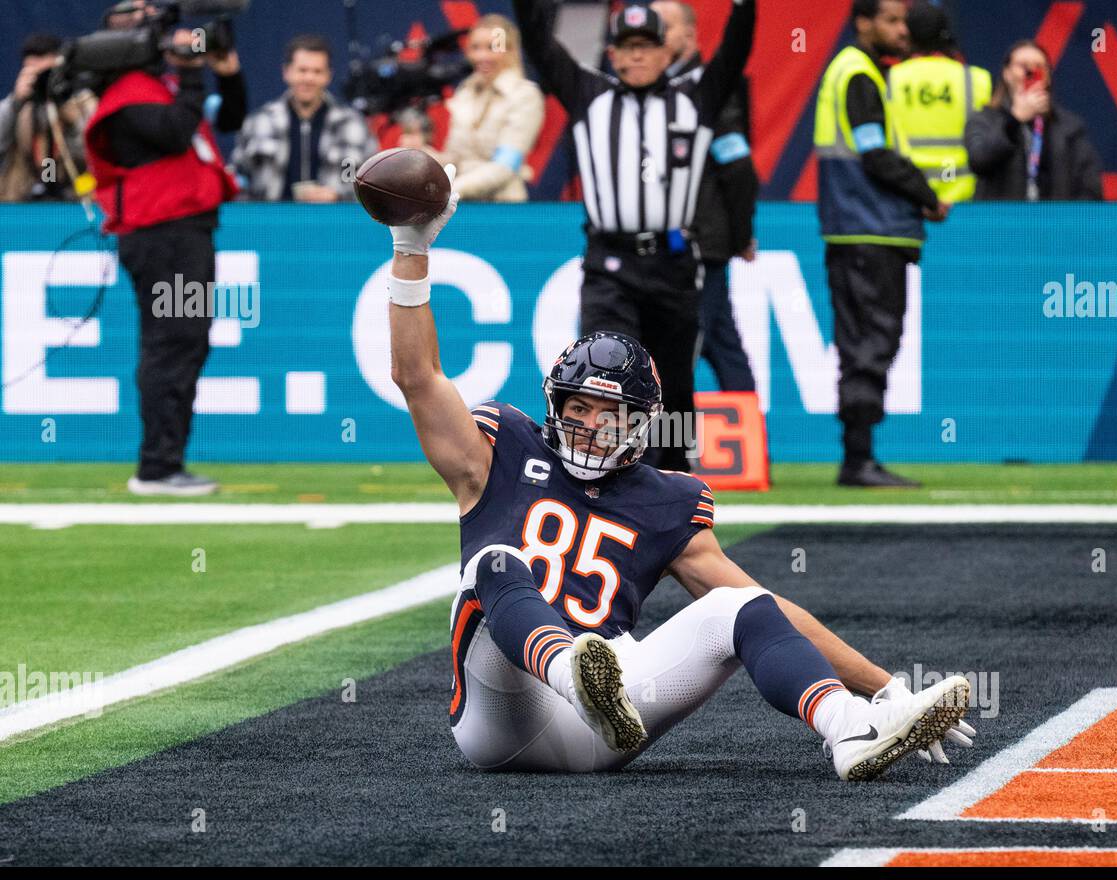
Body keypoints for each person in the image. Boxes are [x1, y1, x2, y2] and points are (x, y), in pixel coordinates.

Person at [380, 169, 975, 778]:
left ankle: (849, 728)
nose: (586, 424)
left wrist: (885, 688)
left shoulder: (666, 498)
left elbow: (773, 614)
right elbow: (417, 375)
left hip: (610, 723)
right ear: (553, 406)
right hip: (501, 707)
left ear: (642, 424)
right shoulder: (500, 446)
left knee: (741, 606)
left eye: (607, 414)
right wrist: (412, 249)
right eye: (576, 407)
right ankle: (572, 671)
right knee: (493, 565)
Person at [512, 0, 757, 473]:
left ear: (668, 52)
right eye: (628, 48)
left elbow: (736, 49)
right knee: (601, 374)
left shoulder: (697, 98)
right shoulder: (588, 93)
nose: (637, 57)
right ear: (613, 54)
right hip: (610, 264)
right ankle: (593, 475)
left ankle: (674, 481)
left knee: (674, 383)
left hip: (674, 262)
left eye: (647, 46)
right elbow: (540, 44)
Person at [82, 1, 247, 496]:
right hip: (163, 234)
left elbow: (232, 116)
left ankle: (165, 461)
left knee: (187, 339)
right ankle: (156, 466)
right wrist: (193, 74)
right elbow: (176, 134)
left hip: (184, 231)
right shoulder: (128, 94)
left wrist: (224, 73)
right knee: (172, 340)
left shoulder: (159, 86)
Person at [815, 0, 947, 489]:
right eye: (890, 19)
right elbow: (875, 154)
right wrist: (927, 195)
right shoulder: (859, 74)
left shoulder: (857, 71)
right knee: (871, 343)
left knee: (863, 344)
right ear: (863, 24)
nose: (902, 28)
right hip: (868, 229)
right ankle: (858, 461)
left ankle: (858, 456)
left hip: (855, 229)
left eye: (903, 19)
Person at [652, 0, 759, 395]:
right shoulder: (659, 89)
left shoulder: (709, 88)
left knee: (681, 349)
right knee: (720, 343)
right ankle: (750, 442)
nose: (653, 33)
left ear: (690, 34)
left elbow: (738, 168)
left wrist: (737, 235)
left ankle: (669, 450)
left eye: (664, 25)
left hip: (698, 242)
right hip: (680, 243)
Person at [232, 34, 375, 203]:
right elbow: (237, 180)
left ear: (328, 75)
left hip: (335, 223)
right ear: (287, 72)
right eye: (302, 70)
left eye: (317, 71)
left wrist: (338, 195)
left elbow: (372, 183)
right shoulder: (259, 122)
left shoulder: (353, 123)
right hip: (270, 224)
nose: (309, 78)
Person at [964, 39, 1102, 200]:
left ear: (1048, 76)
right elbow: (979, 161)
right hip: (1003, 221)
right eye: (1023, 66)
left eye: (1039, 66)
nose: (1030, 71)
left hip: (1054, 221)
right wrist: (1014, 120)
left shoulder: (1069, 127)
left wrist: (1071, 221)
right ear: (1006, 73)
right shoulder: (984, 119)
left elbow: (1089, 184)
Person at [887, 3, 990, 204]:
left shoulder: (889, 79)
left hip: (906, 197)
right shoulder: (977, 79)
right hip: (964, 200)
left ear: (908, 36)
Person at [436, 14, 544, 202]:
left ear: (511, 50)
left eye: (492, 47)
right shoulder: (465, 91)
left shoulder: (525, 95)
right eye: (475, 48)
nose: (482, 56)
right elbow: (456, 157)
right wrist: (424, 160)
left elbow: (505, 167)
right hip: (458, 206)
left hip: (501, 207)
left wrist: (450, 190)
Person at [0, 34, 97, 202]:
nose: (43, 80)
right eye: (35, 73)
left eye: (47, 73)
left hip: (79, 197)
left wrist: (70, 116)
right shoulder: (19, 105)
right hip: (22, 198)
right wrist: (16, 102)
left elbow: (92, 153)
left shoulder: (85, 103)